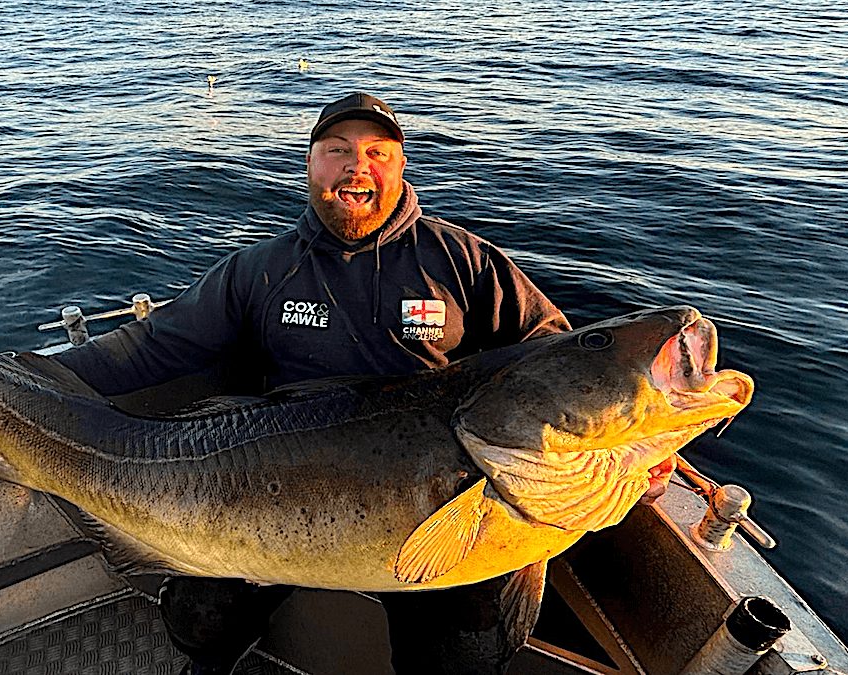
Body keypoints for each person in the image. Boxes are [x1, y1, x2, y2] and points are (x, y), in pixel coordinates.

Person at [54, 93, 581, 674]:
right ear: (311, 165)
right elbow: (153, 347)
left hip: (432, 504)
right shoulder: (260, 270)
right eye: (338, 151)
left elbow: (554, 361)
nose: (358, 166)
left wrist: (631, 448)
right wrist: (19, 376)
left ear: (401, 168)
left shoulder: (463, 261)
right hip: (270, 490)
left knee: (465, 647)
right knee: (198, 614)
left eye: (377, 152)